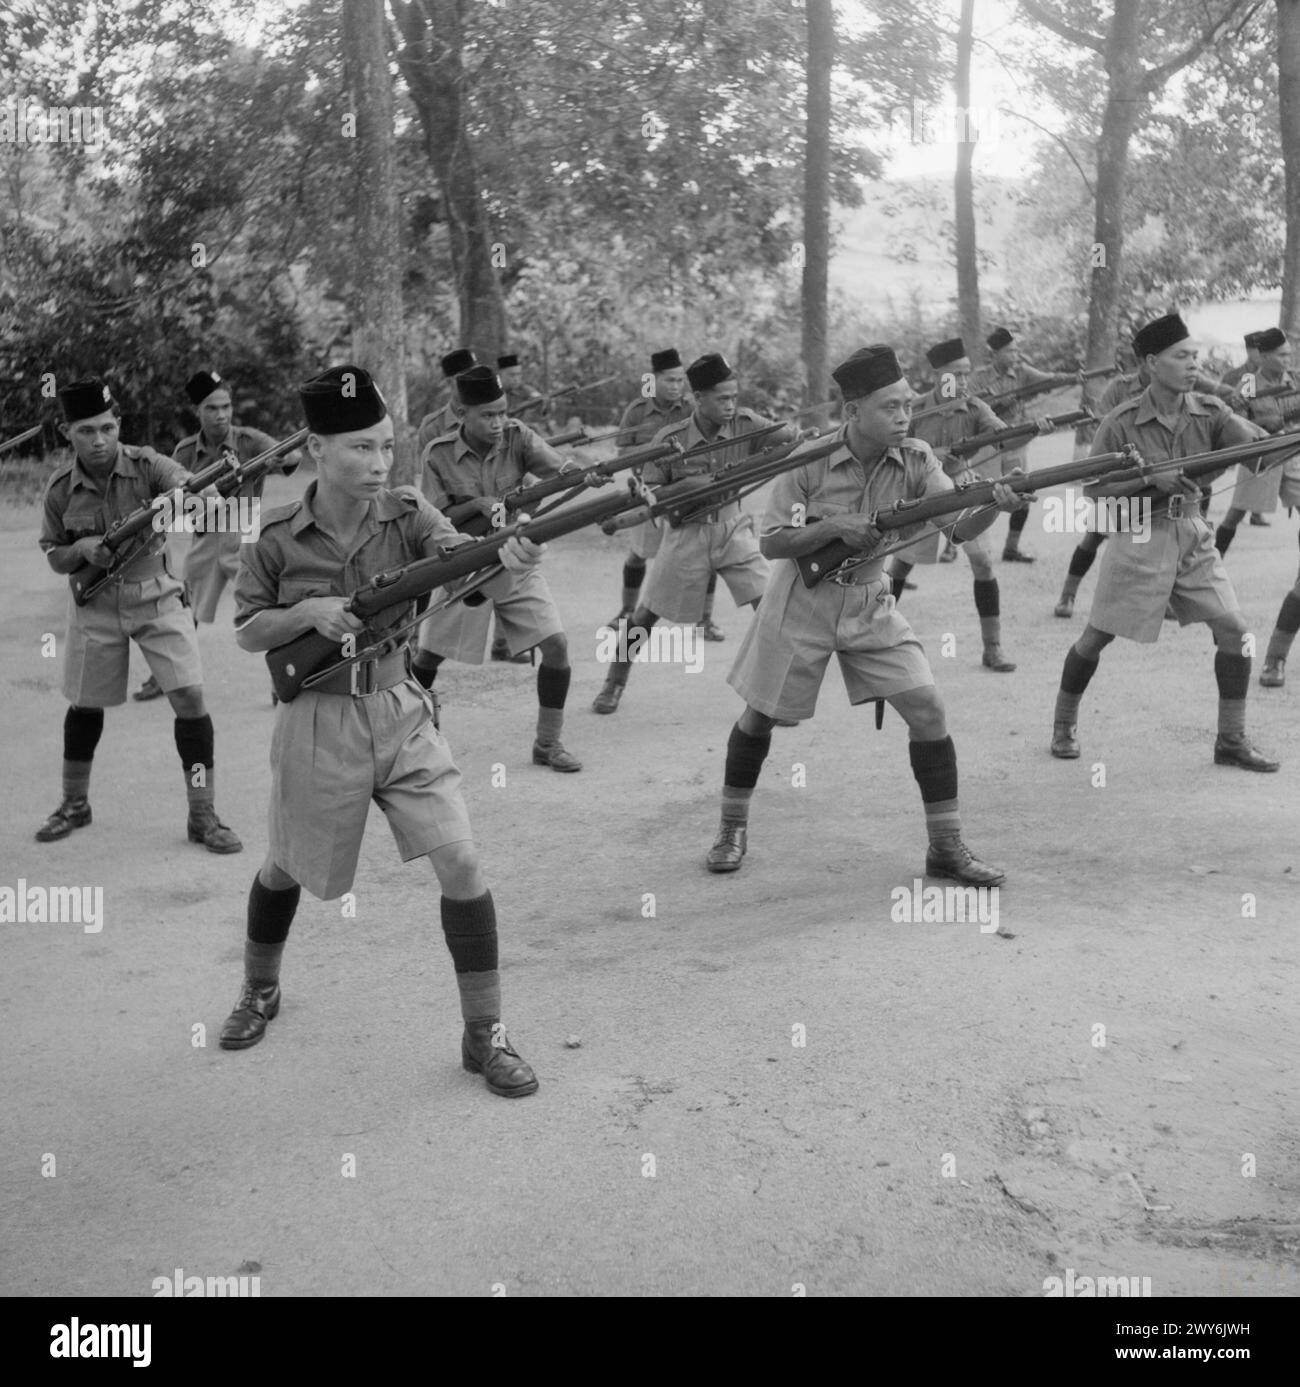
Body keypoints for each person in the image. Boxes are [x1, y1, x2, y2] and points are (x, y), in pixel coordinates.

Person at [220, 364, 539, 1097]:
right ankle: (259, 988)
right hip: (318, 717)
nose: (377, 463)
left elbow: (465, 564)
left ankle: (484, 1032)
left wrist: (509, 555)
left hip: (401, 706)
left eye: (386, 446)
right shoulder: (273, 536)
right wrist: (307, 614)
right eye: (360, 447)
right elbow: (246, 629)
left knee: (461, 860)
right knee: (286, 865)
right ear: (316, 448)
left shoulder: (409, 511)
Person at [705, 344, 1024, 882]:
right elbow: (772, 543)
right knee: (761, 715)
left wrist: (995, 502)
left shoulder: (920, 459)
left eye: (906, 405)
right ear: (852, 412)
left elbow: (956, 525)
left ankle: (945, 847)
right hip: (800, 602)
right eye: (889, 407)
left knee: (928, 711)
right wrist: (834, 527)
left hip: (870, 601)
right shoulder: (807, 460)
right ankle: (731, 828)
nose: (904, 416)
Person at [1049, 313, 1278, 772]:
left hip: (1193, 536)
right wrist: (1149, 476)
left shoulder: (1211, 412)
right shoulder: (1121, 421)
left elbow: (1259, 449)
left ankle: (1230, 740)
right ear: (1153, 363)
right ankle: (1063, 724)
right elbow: (1093, 489)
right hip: (1138, 535)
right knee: (1096, 637)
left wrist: (1273, 439)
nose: (1194, 365)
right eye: (1182, 356)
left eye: (1196, 356)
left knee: (1236, 631)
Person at [35, 377, 242, 851]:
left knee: (190, 698)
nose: (100, 440)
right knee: (85, 704)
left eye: (108, 427)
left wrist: (201, 497)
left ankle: (203, 814)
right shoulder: (61, 490)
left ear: (119, 425)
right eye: (87, 431)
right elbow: (54, 554)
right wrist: (83, 548)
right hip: (96, 601)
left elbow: (187, 485)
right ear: (68, 432)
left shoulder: (148, 465)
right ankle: (74, 804)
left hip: (157, 593)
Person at [591, 352, 795, 714]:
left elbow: (793, 439)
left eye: (735, 397)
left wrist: (790, 443)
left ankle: (774, 695)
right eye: (722, 399)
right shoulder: (670, 438)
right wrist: (680, 494)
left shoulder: (748, 423)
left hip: (734, 529)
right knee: (645, 616)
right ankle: (613, 683)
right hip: (686, 533)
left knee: (770, 609)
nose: (731, 405)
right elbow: (652, 495)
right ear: (697, 399)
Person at [413, 364, 592, 771]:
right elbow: (433, 520)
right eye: (487, 415)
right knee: (427, 658)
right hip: (460, 561)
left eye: (502, 412)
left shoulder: (518, 436)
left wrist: (583, 474)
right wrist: (476, 505)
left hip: (515, 554)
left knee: (557, 647)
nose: (498, 423)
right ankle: (408, 738)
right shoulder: (437, 453)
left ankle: (548, 744)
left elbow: (560, 470)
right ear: (460, 413)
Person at [134, 370, 299, 701]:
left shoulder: (249, 440)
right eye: (212, 408)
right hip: (206, 534)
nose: (222, 414)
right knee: (185, 610)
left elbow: (292, 456)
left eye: (226, 406)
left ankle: (282, 678)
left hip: (245, 535)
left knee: (267, 605)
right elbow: (172, 497)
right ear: (198, 411)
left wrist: (273, 461)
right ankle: (166, 676)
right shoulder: (185, 451)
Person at [1054, 348, 1236, 618]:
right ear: (1145, 362)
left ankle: (1169, 598)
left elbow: (1223, 393)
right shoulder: (1120, 388)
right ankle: (1068, 593)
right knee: (1094, 536)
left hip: (1178, 476)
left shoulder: (1184, 383)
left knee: (1183, 537)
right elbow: (1105, 427)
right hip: (1128, 481)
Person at [889, 337, 1018, 672]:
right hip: (918, 491)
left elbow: (1003, 434)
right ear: (937, 375)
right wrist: (932, 453)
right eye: (955, 375)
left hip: (960, 487)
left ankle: (993, 648)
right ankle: (871, 637)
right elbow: (895, 445)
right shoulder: (914, 407)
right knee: (900, 566)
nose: (962, 382)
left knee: (983, 563)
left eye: (965, 375)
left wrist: (1033, 429)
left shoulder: (975, 406)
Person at [606, 348, 724, 639]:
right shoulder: (637, 411)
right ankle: (626, 612)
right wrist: (655, 448)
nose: (676, 386)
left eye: (679, 380)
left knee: (705, 555)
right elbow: (622, 450)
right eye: (669, 380)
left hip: (683, 491)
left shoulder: (690, 409)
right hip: (647, 490)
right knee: (638, 555)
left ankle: (704, 620)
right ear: (654, 379)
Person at [970, 326, 1078, 562]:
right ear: (995, 354)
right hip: (986, 442)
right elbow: (968, 405)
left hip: (1015, 440)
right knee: (973, 494)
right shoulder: (978, 377)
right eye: (1009, 351)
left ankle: (1011, 547)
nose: (1015, 356)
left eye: (1017, 351)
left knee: (1022, 492)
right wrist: (995, 402)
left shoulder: (1022, 373)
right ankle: (954, 541)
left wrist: (1075, 377)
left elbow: (1049, 379)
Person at [1215, 328, 1296, 554]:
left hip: (1291, 455)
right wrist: (1261, 424)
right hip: (1261, 456)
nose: (1287, 360)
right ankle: (1212, 561)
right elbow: (1233, 419)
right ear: (1265, 357)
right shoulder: (1250, 382)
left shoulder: (1295, 378)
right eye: (1282, 355)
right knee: (1236, 513)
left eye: (1289, 354)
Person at [415, 349, 476, 461]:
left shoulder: (492, 417)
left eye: (475, 376)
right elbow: (424, 473)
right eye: (465, 378)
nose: (472, 383)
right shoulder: (433, 428)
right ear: (449, 382)